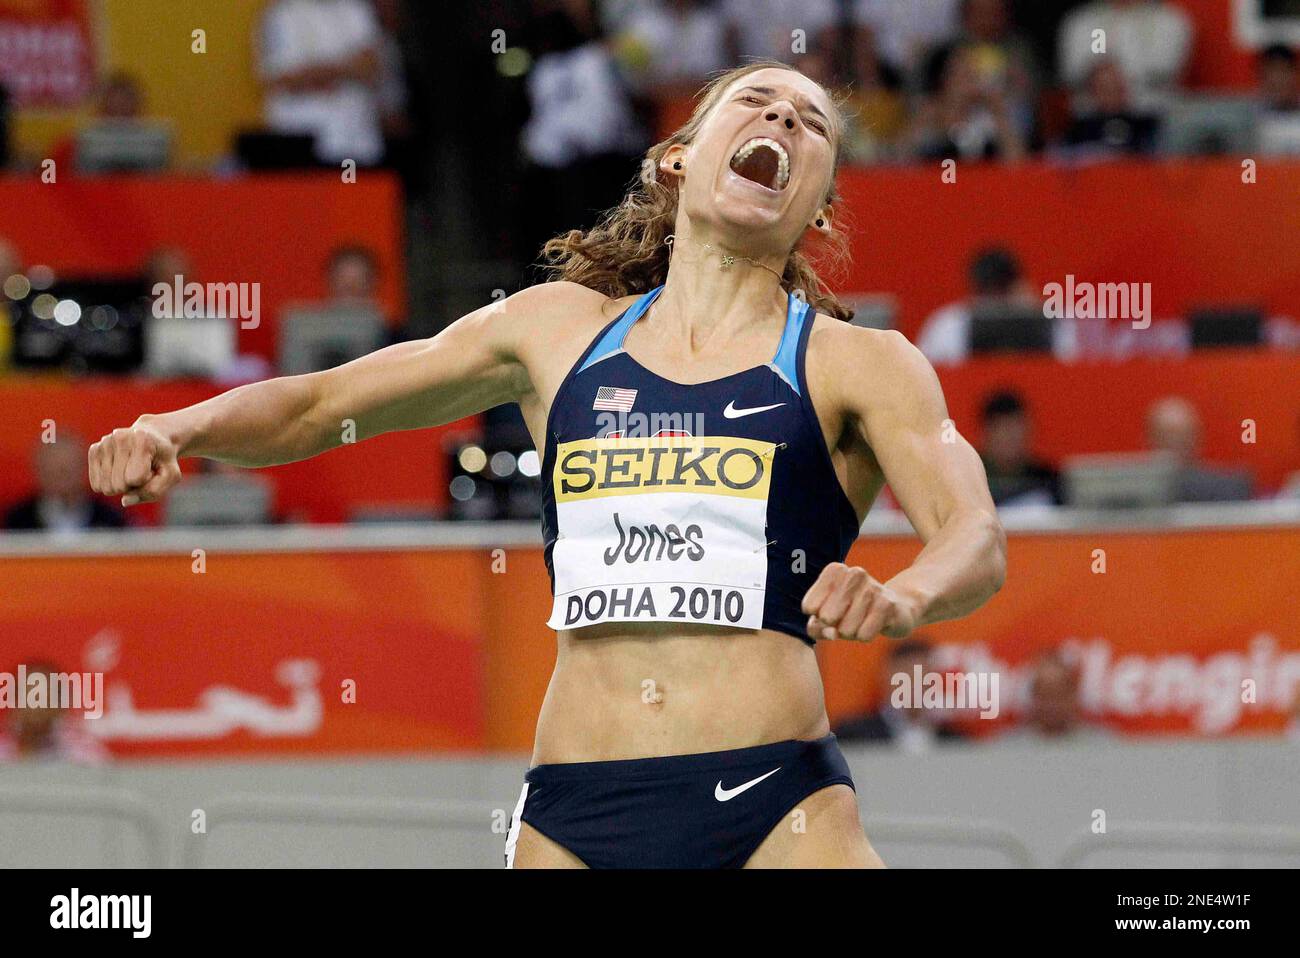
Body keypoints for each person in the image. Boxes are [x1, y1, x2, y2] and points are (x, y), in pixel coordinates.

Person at [88, 62, 1006, 869]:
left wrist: (906, 598)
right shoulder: (555, 332)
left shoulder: (860, 364)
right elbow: (322, 405)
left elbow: (973, 534)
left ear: (820, 206)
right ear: (677, 160)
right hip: (576, 811)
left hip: (778, 804)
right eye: (757, 103)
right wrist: (178, 427)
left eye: (810, 125)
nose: (781, 124)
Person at [257, 0, 385, 166]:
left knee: (357, 189)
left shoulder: (356, 9)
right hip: (301, 144)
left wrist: (318, 71)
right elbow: (284, 80)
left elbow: (372, 68)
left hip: (357, 142)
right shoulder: (281, 14)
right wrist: (348, 68)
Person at [915, 246, 1053, 365]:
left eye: (1001, 291)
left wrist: (1035, 314)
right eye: (988, 293)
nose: (995, 306)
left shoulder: (1049, 322)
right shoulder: (948, 325)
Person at [834, 639, 969, 752]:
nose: (915, 687)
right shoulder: (852, 736)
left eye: (923, 678)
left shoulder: (954, 741)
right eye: (906, 678)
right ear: (885, 677)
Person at [1057, 0, 1193, 112]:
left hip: (1153, 118)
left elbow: (1165, 67)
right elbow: (1071, 72)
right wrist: (1100, 74)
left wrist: (1121, 79)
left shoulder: (1169, 20)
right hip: (1092, 119)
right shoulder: (1084, 21)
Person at [5, 433, 125, 532]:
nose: (61, 480)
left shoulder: (112, 518)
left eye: (66, 471)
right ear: (38, 471)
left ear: (85, 469)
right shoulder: (15, 521)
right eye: (52, 471)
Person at [1144, 396, 1252, 503]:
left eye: (1183, 436)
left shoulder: (1228, 488)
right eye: (1166, 436)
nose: (1175, 442)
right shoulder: (1135, 490)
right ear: (1150, 439)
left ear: (1197, 438)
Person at [0, 661, 109, 764]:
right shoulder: (3, 752)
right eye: (27, 700)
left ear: (61, 705)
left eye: (43, 700)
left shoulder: (85, 755)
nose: (34, 709)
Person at [978, 390, 1062, 508]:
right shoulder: (972, 477)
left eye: (1014, 428)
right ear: (985, 434)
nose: (1008, 437)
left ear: (1028, 430)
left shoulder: (1047, 478)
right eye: (1002, 429)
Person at [1257, 44, 1300, 156]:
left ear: (1294, 74)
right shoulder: (1250, 120)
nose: (1278, 80)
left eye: (1283, 71)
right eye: (1272, 73)